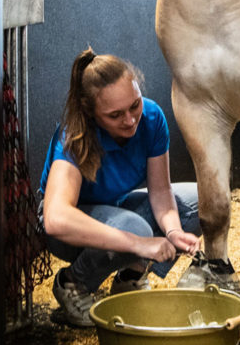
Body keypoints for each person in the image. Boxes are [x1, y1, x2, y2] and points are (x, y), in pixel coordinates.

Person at [40, 49, 202, 326]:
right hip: (67, 231)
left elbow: (161, 192)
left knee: (199, 201)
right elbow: (56, 219)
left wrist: (173, 231)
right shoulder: (75, 134)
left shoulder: (151, 118)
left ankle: (129, 280)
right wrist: (141, 244)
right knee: (135, 228)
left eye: (134, 105)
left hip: (114, 211)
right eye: (115, 115)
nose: (130, 120)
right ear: (90, 112)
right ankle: (73, 283)